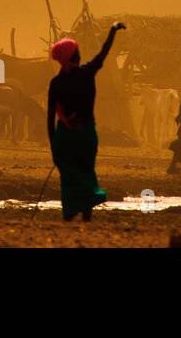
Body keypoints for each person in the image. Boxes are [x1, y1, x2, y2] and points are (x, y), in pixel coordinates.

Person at [46, 21, 125, 222]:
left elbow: (50, 117)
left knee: (69, 176)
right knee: (87, 171)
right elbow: (103, 53)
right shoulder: (87, 73)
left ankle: (70, 212)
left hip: (64, 136)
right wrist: (112, 30)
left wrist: (54, 146)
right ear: (74, 57)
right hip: (86, 133)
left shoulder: (56, 83)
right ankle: (87, 215)